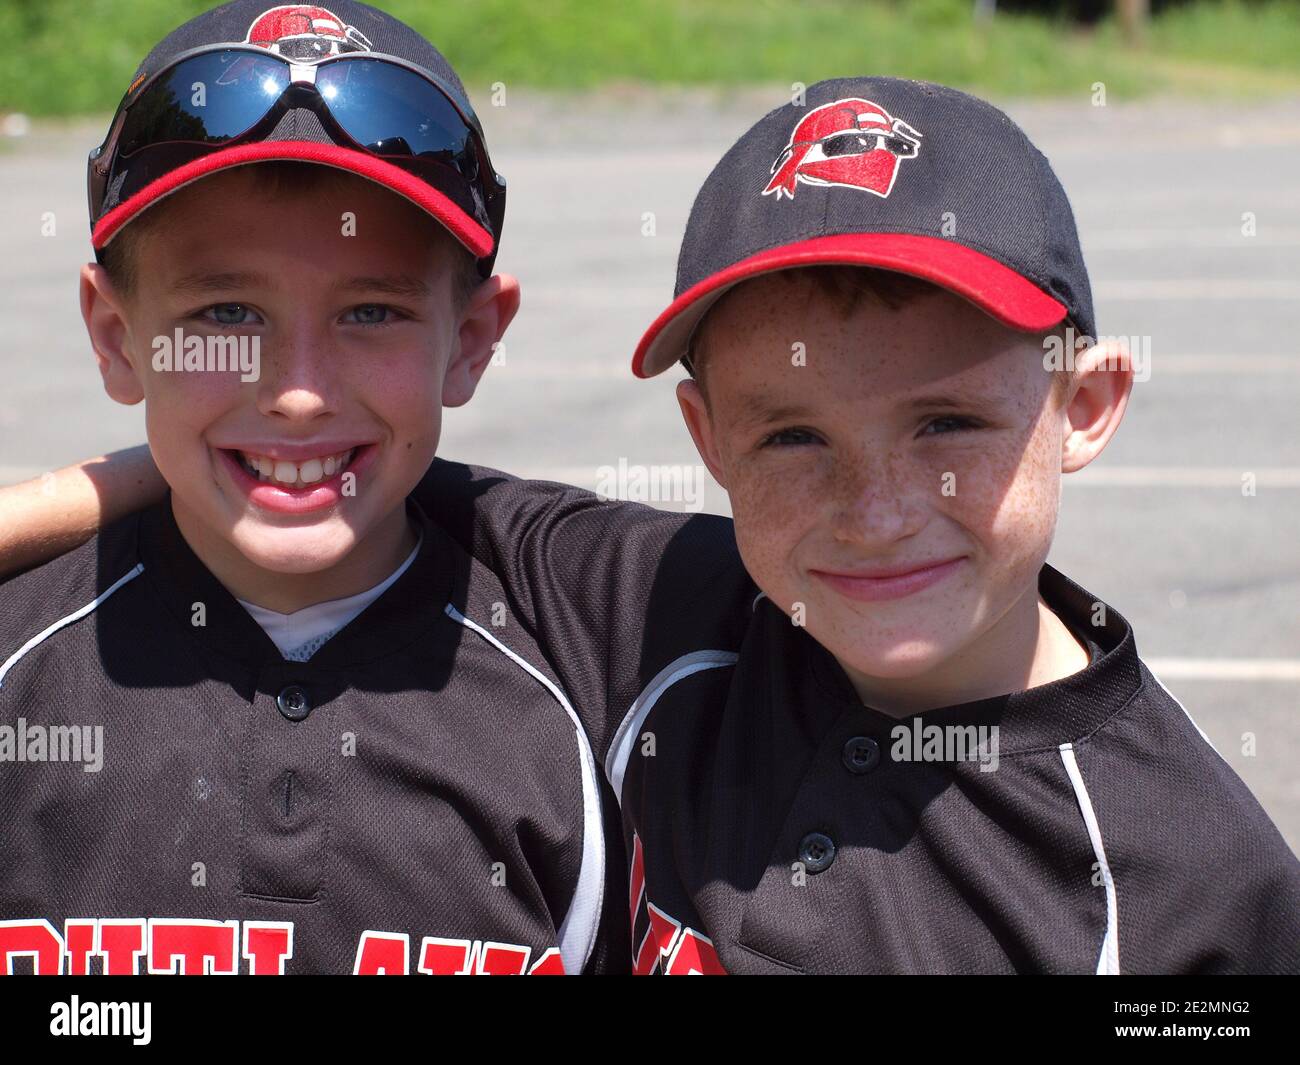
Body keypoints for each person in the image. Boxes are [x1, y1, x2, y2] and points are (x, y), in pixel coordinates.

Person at [6, 73, 1298, 972]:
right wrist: (84, 492)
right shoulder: (642, 615)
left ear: (1089, 403)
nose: (880, 508)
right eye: (792, 438)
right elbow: (328, 457)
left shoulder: (1189, 885)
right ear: (708, 444)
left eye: (950, 425)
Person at [0, 0, 645, 976]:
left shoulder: (586, 706)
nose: (297, 393)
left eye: (371, 311)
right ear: (115, 335)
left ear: (471, 341)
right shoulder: (20, 674)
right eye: (226, 311)